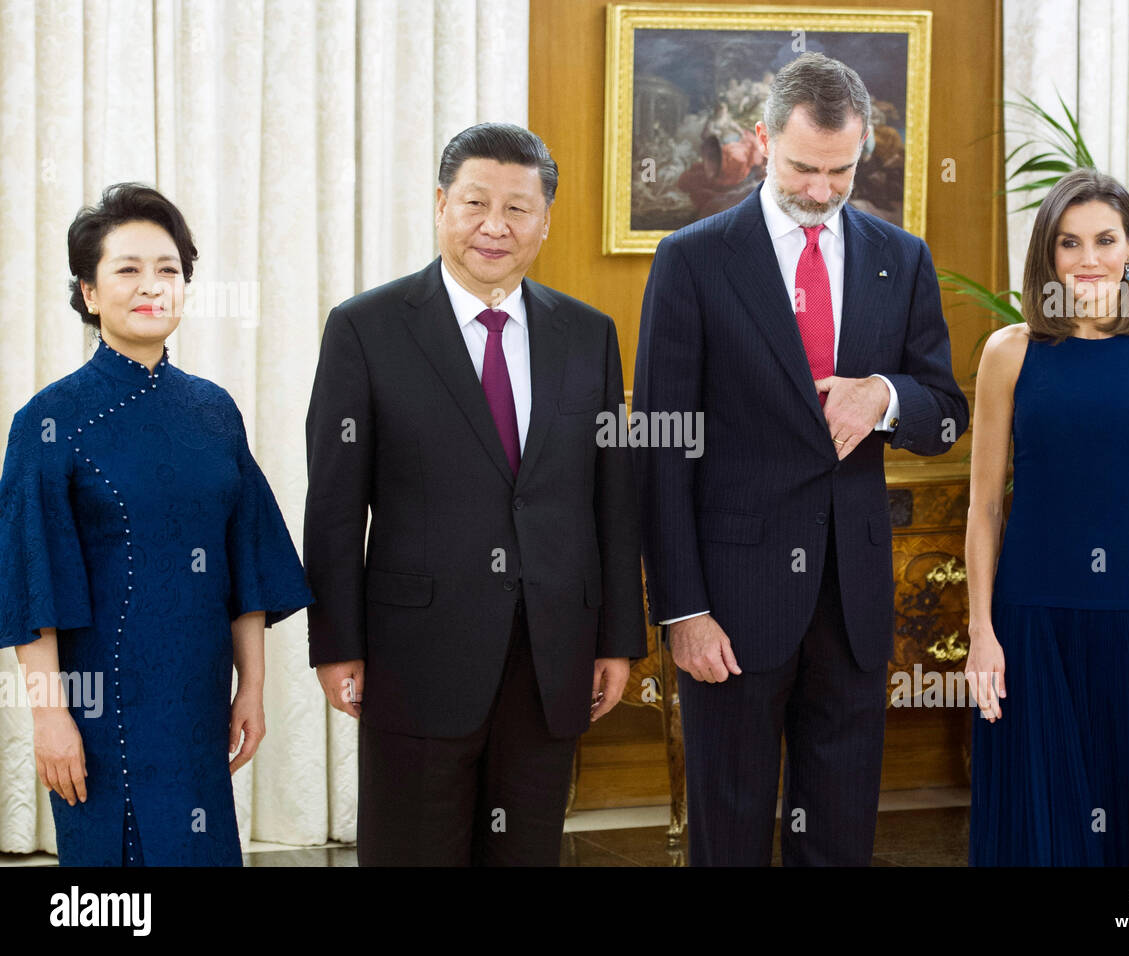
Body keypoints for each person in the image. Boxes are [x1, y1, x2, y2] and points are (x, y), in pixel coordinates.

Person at [634, 53, 969, 866]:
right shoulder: (694, 258)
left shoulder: (903, 256)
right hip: (730, 606)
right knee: (732, 832)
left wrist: (885, 397)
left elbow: (948, 416)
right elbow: (660, 445)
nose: (821, 191)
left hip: (852, 604)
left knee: (840, 835)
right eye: (802, 169)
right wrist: (682, 611)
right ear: (761, 141)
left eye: (841, 171)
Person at [304, 122, 647, 866]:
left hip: (551, 648)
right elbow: (334, 503)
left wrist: (619, 637)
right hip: (415, 652)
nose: (495, 227)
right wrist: (337, 643)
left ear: (546, 220)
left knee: (524, 849)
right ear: (440, 205)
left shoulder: (588, 334)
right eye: (475, 203)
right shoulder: (365, 329)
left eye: (518, 209)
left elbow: (611, 497)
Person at [0, 183, 313, 866]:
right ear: (88, 292)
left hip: (198, 701)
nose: (153, 287)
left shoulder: (213, 411)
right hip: (98, 705)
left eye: (168, 270)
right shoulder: (48, 421)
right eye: (128, 270)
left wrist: (251, 689)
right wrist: (49, 717)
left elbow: (248, 566)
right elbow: (31, 586)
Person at [964, 168, 1129, 865]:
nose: (1088, 258)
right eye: (1070, 242)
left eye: (1105, 239)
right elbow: (984, 506)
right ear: (1049, 253)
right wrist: (982, 632)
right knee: (1037, 830)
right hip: (1028, 622)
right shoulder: (1009, 352)